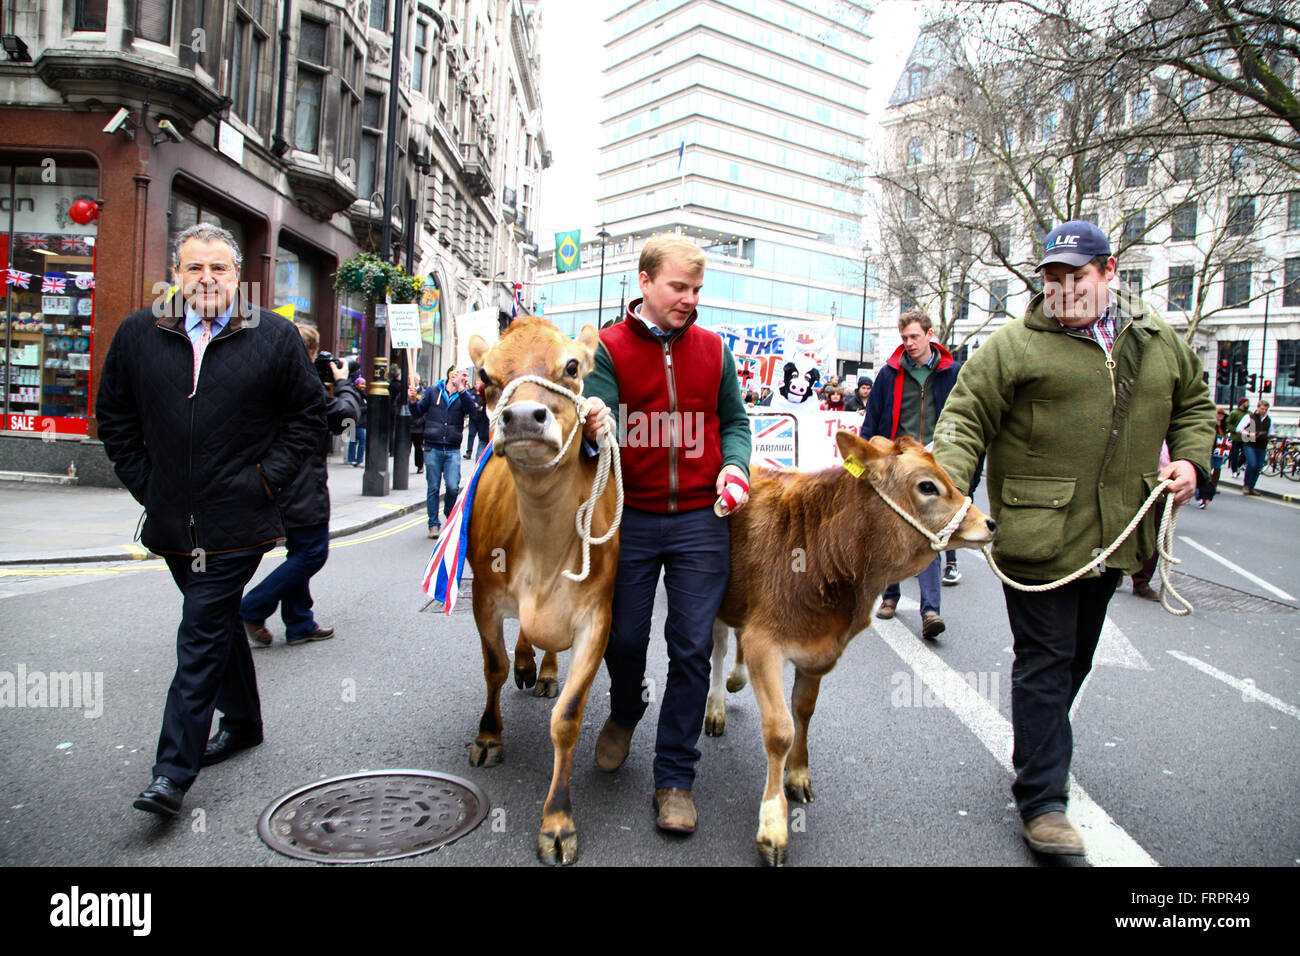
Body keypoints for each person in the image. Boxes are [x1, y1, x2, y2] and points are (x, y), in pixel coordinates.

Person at [933, 219, 1213, 856]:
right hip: (1037, 535)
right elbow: (965, 417)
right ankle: (1042, 800)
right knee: (1046, 660)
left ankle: (1037, 752)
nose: (1062, 291)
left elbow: (1195, 402)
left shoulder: (1156, 338)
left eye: (1076, 277)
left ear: (1109, 272)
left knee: (1076, 658)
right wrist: (946, 492)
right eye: (1051, 279)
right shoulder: (1013, 346)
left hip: (1117, 535)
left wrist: (1192, 460)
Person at [96, 223, 325, 818]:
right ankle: (245, 722)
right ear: (176, 273)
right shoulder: (139, 334)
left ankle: (172, 771)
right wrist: (149, 484)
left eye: (219, 269)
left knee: (198, 632)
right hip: (173, 521)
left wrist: (264, 481)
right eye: (194, 268)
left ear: (237, 275)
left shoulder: (272, 337)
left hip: (238, 521)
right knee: (218, 623)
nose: (206, 279)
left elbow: (308, 418)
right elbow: (114, 417)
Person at [582, 235, 752, 835]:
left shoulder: (714, 349)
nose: (689, 299)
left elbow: (734, 422)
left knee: (691, 648)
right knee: (623, 638)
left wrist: (735, 465)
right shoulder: (607, 348)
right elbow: (593, 429)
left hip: (702, 521)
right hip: (631, 516)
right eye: (679, 287)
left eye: (697, 289)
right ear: (646, 281)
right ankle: (627, 706)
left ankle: (675, 779)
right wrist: (594, 423)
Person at [240, 323, 362, 645]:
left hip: (274, 478)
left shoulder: (263, 376)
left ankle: (299, 622)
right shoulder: (300, 382)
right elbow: (345, 418)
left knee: (299, 550)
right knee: (312, 552)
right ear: (306, 352)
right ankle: (252, 607)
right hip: (302, 481)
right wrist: (343, 383)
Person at [861, 308, 961, 638]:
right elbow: (872, 421)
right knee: (891, 533)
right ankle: (890, 597)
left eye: (915, 337)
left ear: (930, 335)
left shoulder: (952, 373)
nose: (909, 344)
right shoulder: (889, 375)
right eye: (904, 338)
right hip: (896, 465)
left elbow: (963, 419)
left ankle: (931, 610)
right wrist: (861, 460)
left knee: (929, 536)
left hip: (934, 465)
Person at [409, 365, 481, 537]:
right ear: (453, 375)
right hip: (432, 446)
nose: (466, 378)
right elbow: (418, 412)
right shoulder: (434, 391)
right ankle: (433, 524)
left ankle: (449, 515)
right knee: (433, 487)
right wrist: (412, 401)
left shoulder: (464, 396)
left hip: (452, 448)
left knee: (452, 486)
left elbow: (474, 413)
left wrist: (462, 390)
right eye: (464, 375)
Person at [1194, 407, 1229, 508]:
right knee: (1205, 472)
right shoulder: (1210, 424)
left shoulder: (1223, 425)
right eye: (1218, 413)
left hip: (1218, 450)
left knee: (1216, 469)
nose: (1220, 416)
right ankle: (1199, 494)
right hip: (1206, 450)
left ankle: (1208, 492)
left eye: (1222, 414)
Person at [1239, 400, 1272, 495]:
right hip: (1250, 444)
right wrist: (1249, 434)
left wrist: (1271, 435)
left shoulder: (1269, 419)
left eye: (1266, 409)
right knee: (1252, 464)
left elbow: (1270, 432)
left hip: (1262, 445)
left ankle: (1251, 487)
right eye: (1262, 408)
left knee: (1258, 467)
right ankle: (1246, 486)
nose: (1264, 411)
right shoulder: (1249, 417)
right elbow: (1239, 429)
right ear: (1257, 408)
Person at [1226, 398, 1249, 476]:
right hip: (1236, 437)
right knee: (1234, 455)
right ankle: (1234, 470)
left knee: (1246, 454)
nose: (1248, 404)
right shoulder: (1234, 413)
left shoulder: (1249, 413)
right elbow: (1228, 423)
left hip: (1246, 438)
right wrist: (1235, 429)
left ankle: (1238, 465)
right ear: (1242, 403)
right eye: (1247, 402)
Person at [409, 374, 426, 474]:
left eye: (414, 379)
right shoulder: (405, 392)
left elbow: (424, 410)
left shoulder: (423, 393)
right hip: (407, 426)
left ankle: (420, 465)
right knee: (405, 449)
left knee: (419, 448)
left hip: (418, 427)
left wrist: (421, 420)